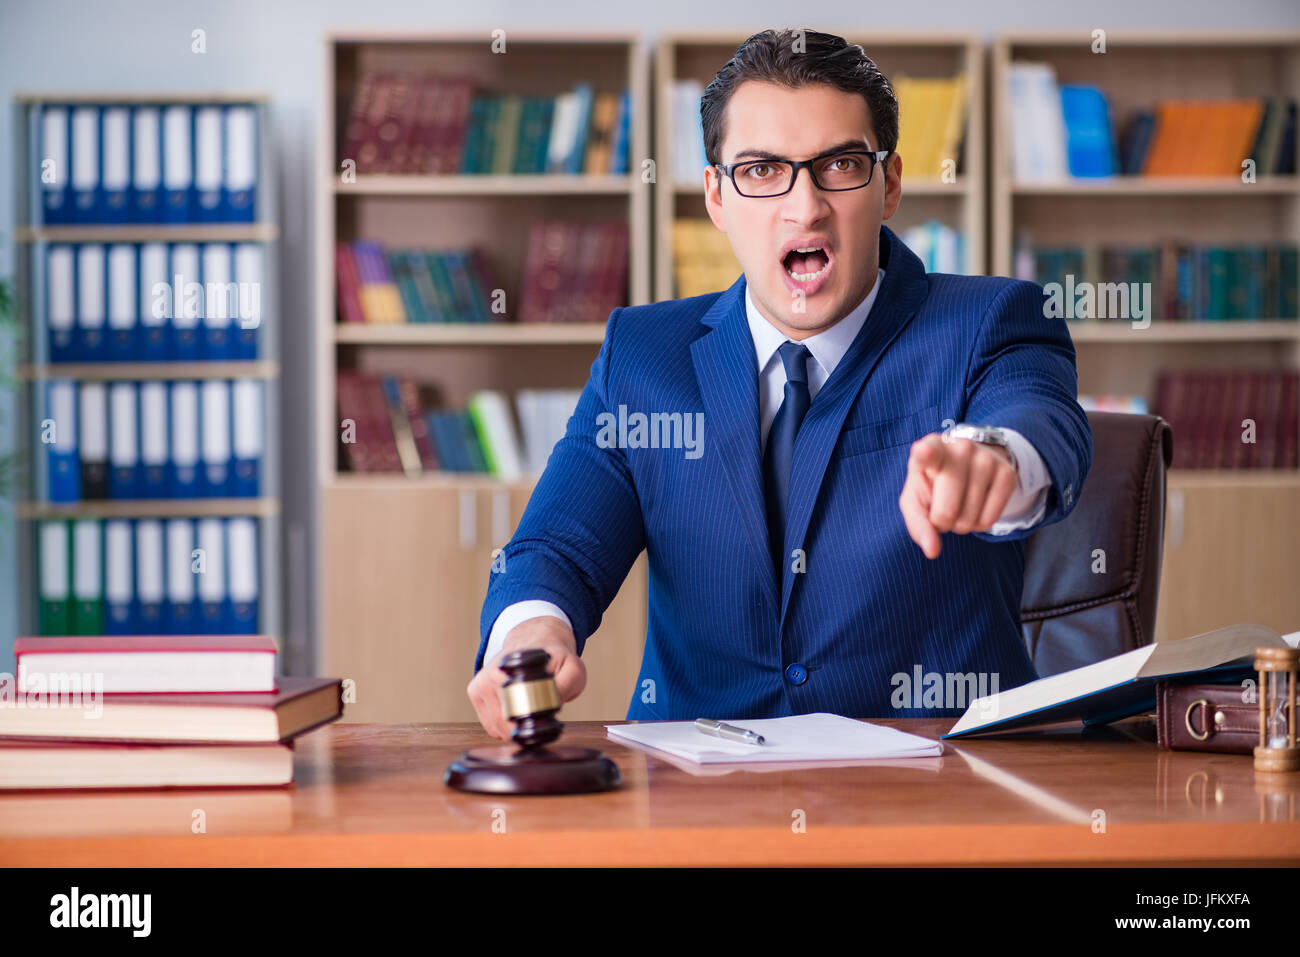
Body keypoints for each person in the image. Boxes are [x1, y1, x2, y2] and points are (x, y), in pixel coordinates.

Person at [468, 28, 1092, 739]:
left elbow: (1043, 422)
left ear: (889, 185)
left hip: (936, 796)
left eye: (840, 165)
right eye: (762, 171)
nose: (805, 208)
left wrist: (995, 459)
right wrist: (532, 631)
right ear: (716, 196)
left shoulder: (988, 320)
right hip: (697, 804)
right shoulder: (643, 357)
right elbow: (557, 548)